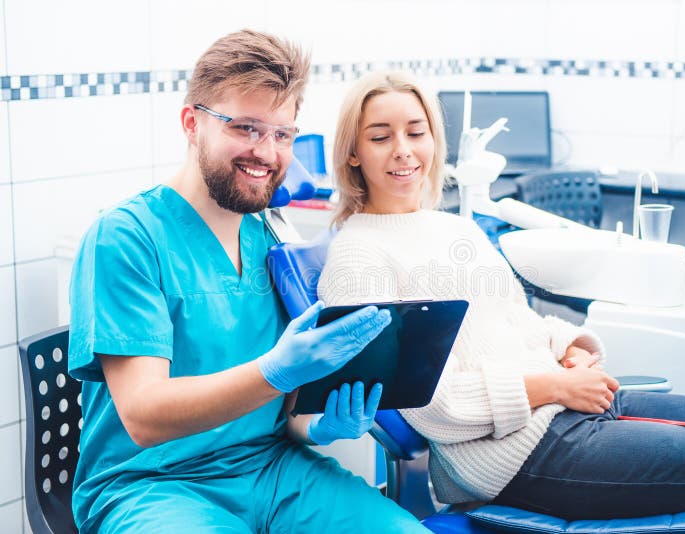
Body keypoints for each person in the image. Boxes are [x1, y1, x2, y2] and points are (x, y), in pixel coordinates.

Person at [317, 70, 685, 522]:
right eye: (381, 137)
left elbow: (521, 325)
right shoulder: (360, 257)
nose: (403, 150)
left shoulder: (453, 229)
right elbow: (430, 405)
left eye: (415, 132)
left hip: (569, 407)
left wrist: (572, 352)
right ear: (354, 153)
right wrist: (554, 388)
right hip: (516, 455)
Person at [68, 32, 430, 533]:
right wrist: (274, 372)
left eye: (282, 135)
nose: (267, 152)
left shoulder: (271, 238)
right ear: (192, 123)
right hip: (151, 486)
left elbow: (283, 412)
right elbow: (144, 415)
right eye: (246, 128)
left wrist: (319, 426)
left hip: (271, 470)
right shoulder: (127, 238)